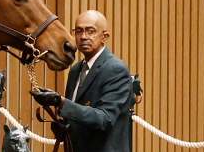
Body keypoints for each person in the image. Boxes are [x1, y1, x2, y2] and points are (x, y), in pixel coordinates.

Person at [31, 9, 134, 152]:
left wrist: (60, 102)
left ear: (104, 36)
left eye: (90, 31)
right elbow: (76, 115)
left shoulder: (116, 69)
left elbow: (104, 119)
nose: (83, 36)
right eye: (78, 31)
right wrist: (61, 123)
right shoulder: (75, 70)